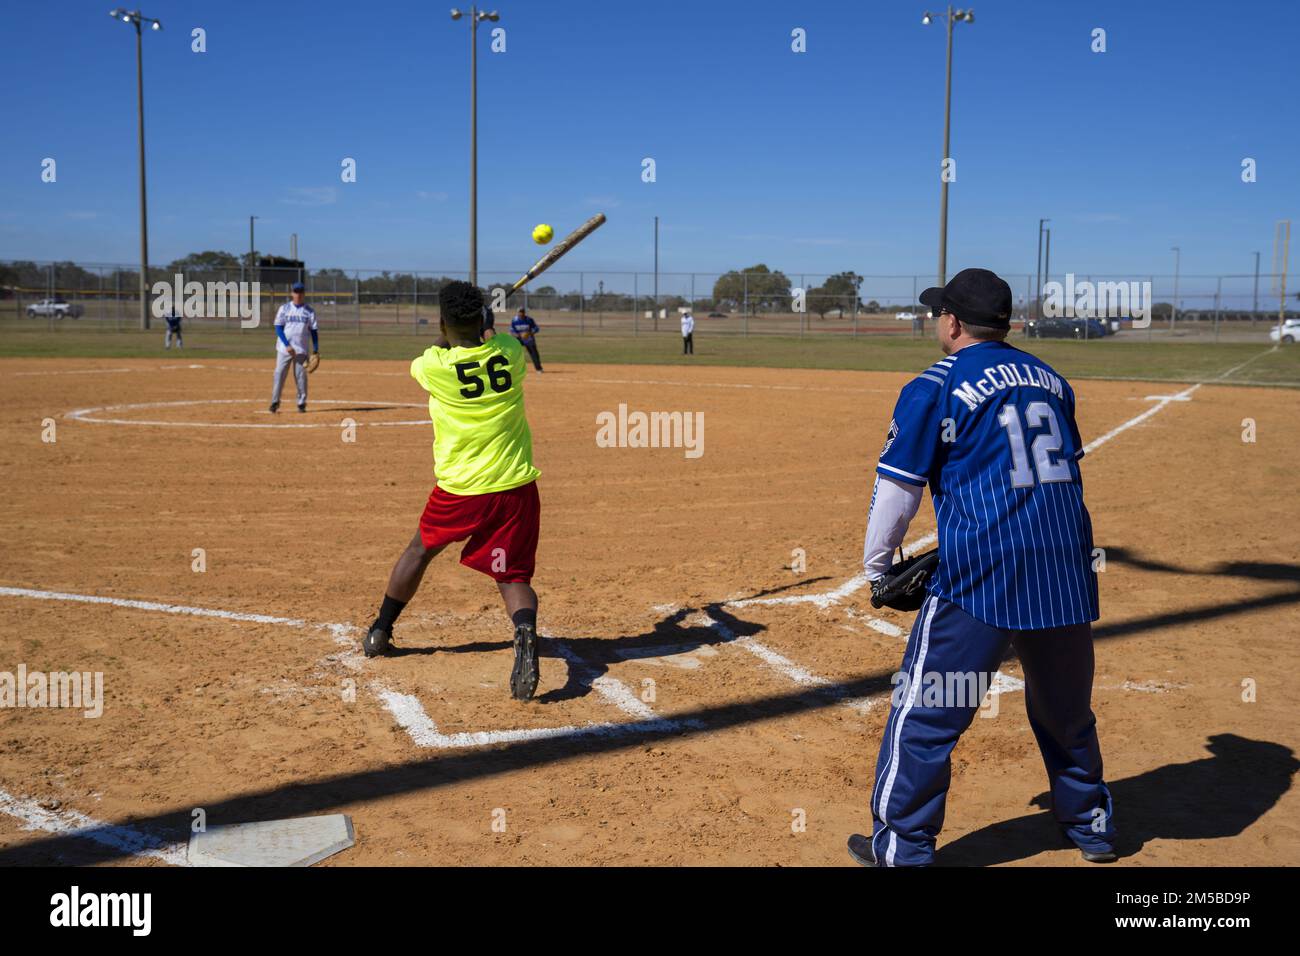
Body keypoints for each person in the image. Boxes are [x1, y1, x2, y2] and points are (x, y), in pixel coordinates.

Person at [848, 268, 1115, 867]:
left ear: (952, 322)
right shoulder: (1052, 379)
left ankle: (901, 848)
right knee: (1066, 711)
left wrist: (876, 566)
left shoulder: (935, 384)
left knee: (925, 714)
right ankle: (1092, 826)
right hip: (1065, 566)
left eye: (938, 313)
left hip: (982, 571)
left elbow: (898, 486)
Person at [363, 281, 544, 701]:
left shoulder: (432, 367)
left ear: (444, 323)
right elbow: (492, 340)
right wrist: (487, 324)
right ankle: (524, 631)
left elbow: (441, 348)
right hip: (514, 485)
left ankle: (381, 630)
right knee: (512, 573)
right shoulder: (511, 353)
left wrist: (456, 329)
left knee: (419, 552)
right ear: (484, 321)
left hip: (460, 489)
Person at [269, 282, 318, 413]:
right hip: (284, 349)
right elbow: (278, 327)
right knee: (279, 374)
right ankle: (275, 401)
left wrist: (316, 349)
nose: (298, 294)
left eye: (300, 292)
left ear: (304, 293)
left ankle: (301, 403)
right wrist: (287, 345)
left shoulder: (309, 311)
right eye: (296, 292)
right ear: (292, 293)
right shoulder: (284, 308)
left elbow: (313, 331)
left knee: (301, 376)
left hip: (301, 350)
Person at [510, 307, 543, 372]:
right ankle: (514, 369)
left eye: (522, 312)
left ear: (524, 313)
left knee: (534, 353)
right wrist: (519, 335)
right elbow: (512, 331)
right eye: (520, 312)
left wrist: (529, 333)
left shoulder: (529, 320)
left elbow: (536, 329)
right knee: (514, 354)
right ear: (518, 313)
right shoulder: (514, 320)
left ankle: (538, 368)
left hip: (529, 339)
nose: (521, 313)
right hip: (519, 339)